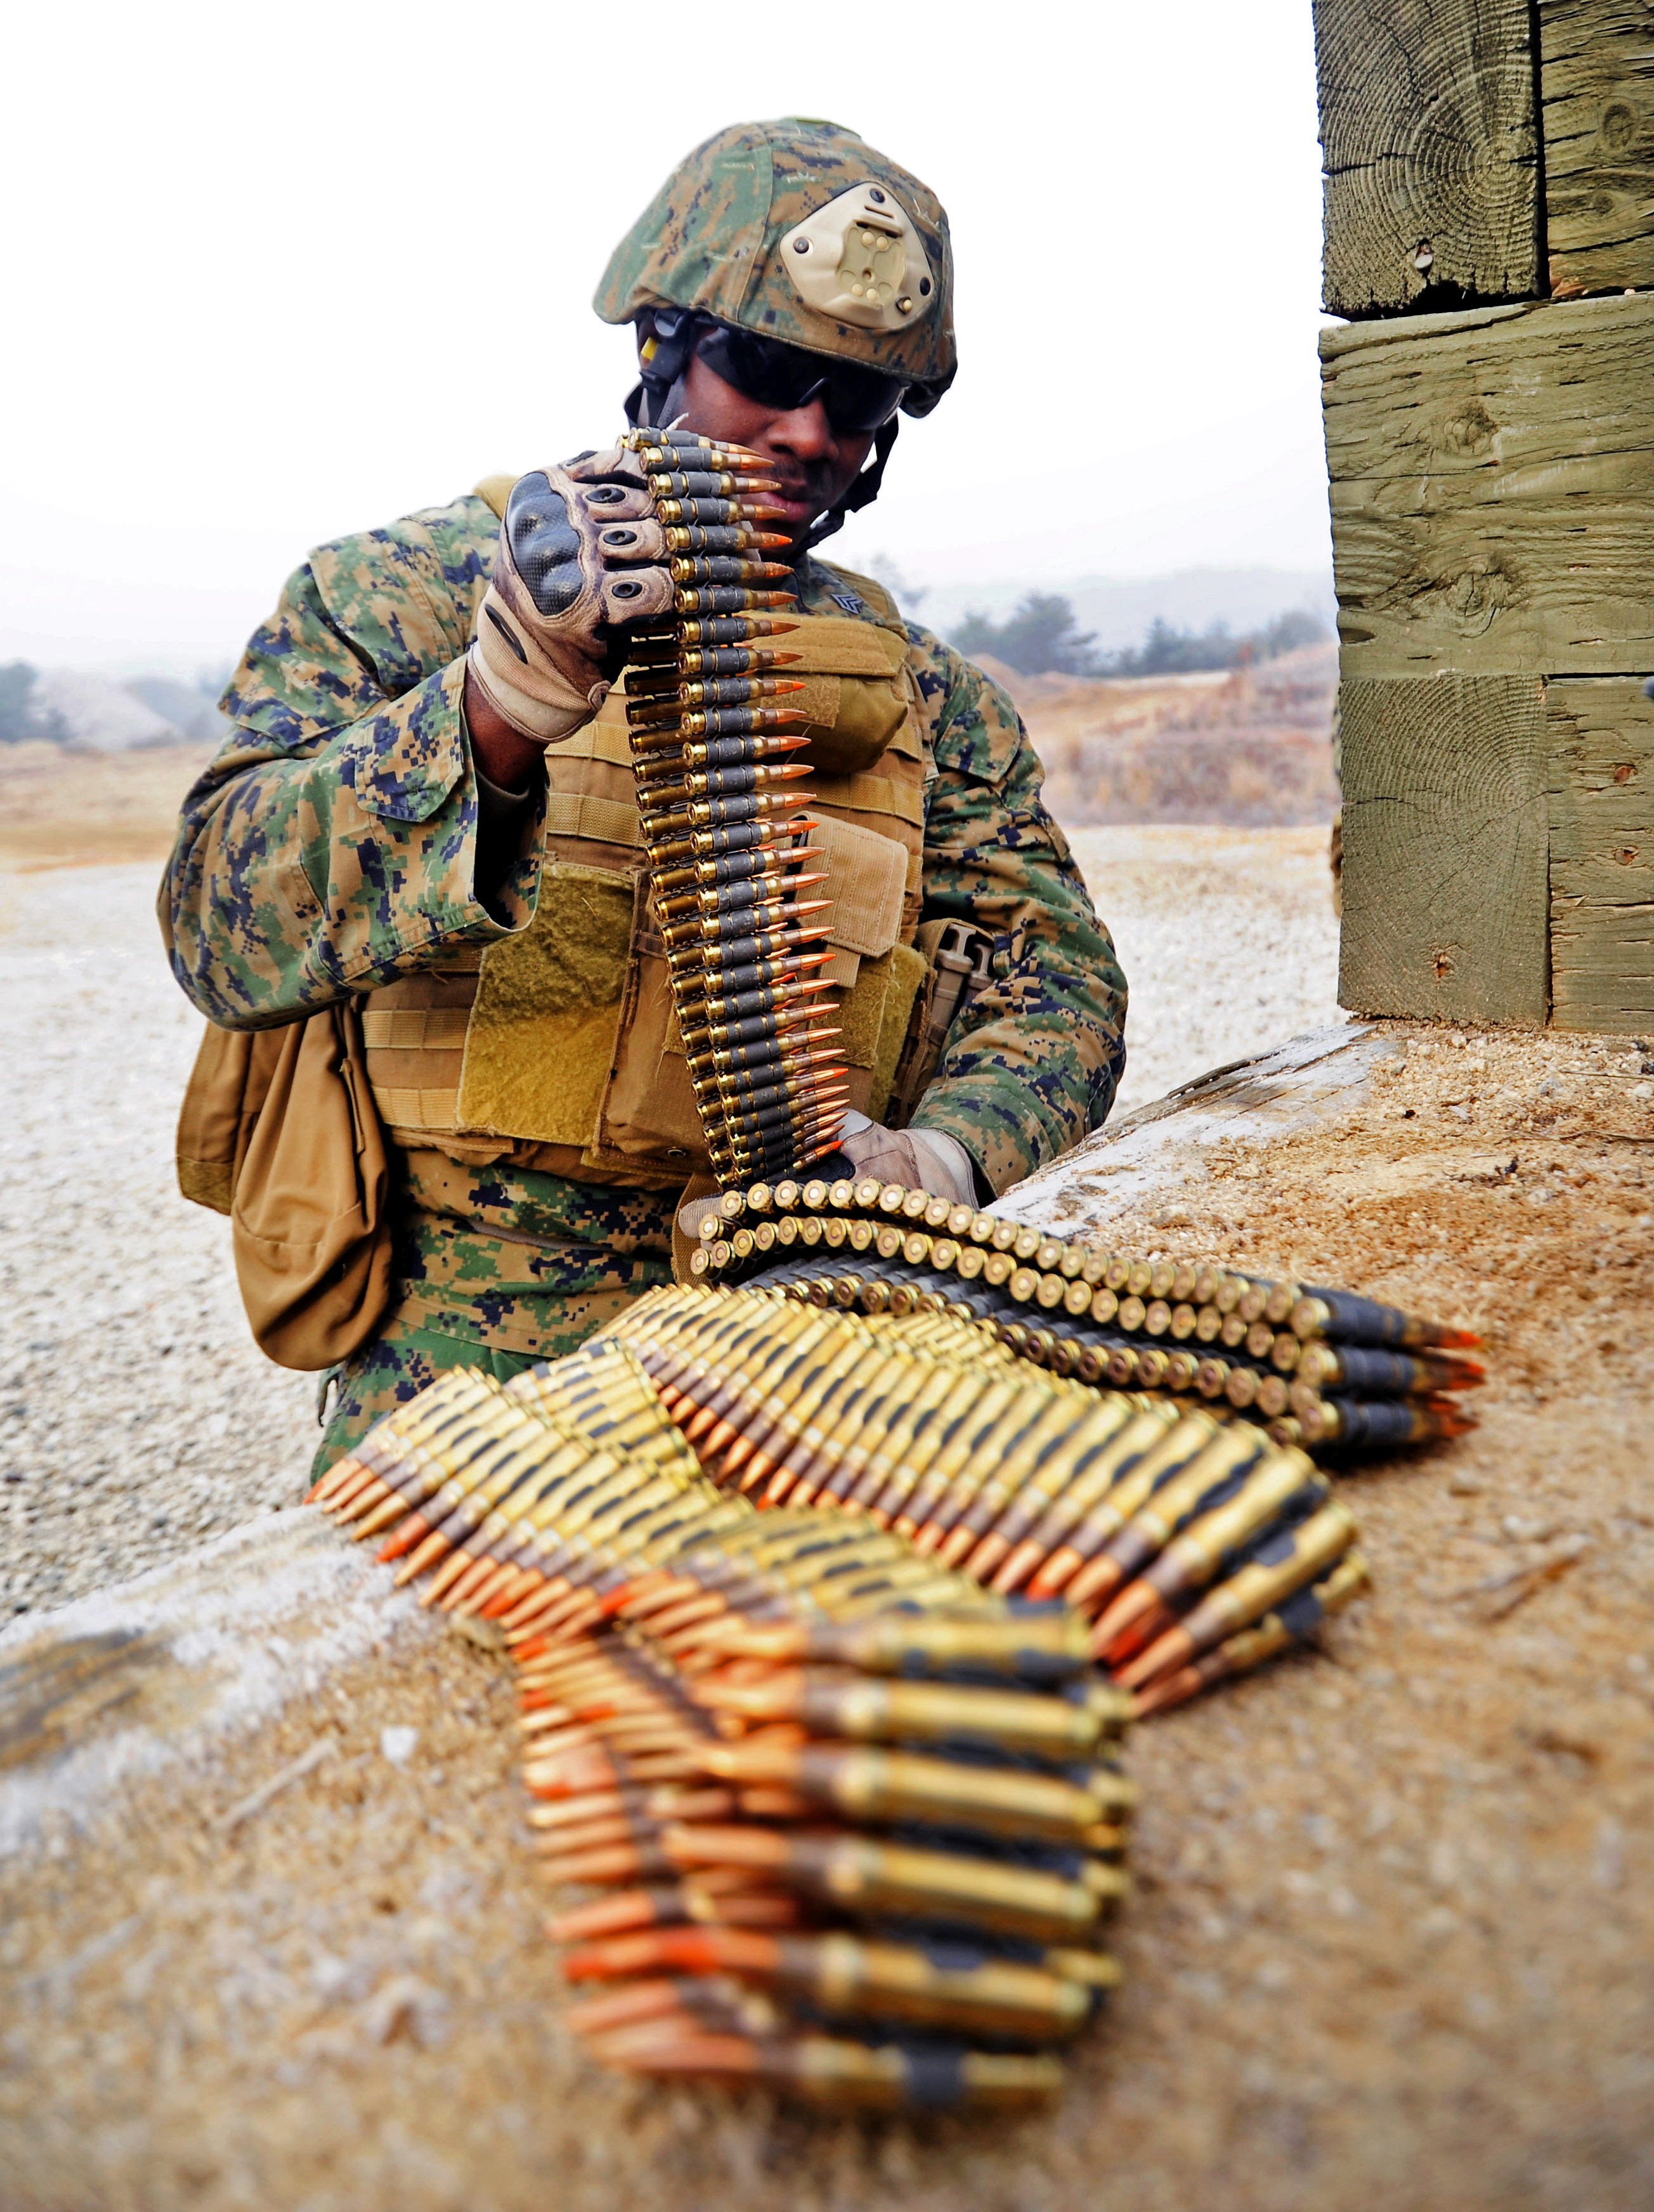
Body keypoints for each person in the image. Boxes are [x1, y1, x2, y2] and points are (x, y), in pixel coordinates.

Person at [160, 118, 1129, 1476]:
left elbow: (1060, 985)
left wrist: (948, 1158)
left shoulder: (921, 692)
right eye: (771, 368)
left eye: (857, 404)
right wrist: (491, 710)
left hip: (806, 1357)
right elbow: (218, 922)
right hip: (469, 1384)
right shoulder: (409, 591)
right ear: (659, 346)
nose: (808, 433)